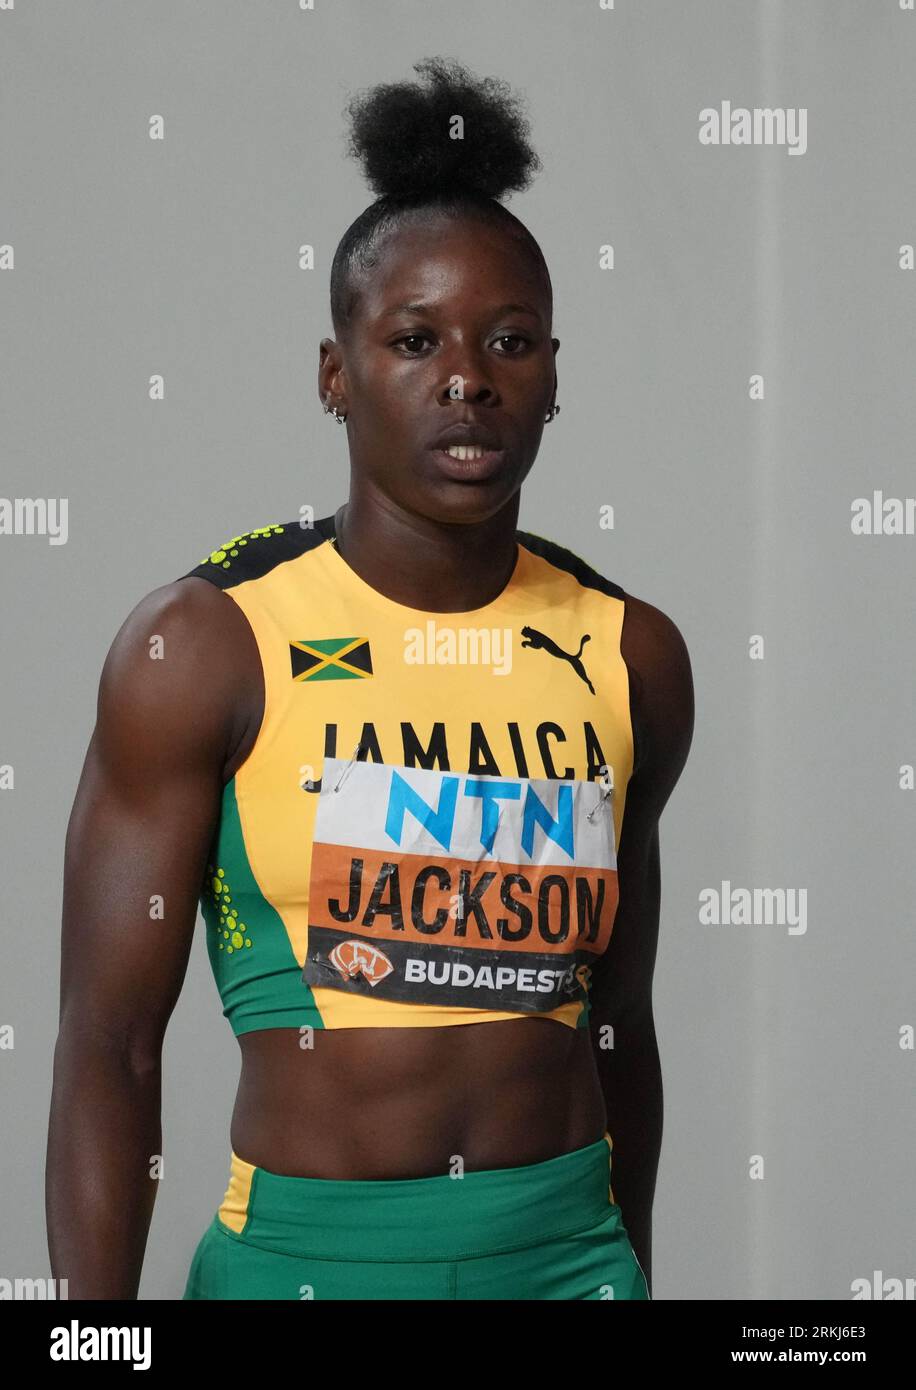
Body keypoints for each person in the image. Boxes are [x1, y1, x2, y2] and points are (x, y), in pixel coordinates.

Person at [46, 57, 693, 1301]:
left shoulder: (627, 653)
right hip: (305, 1263)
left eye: (508, 342)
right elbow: (109, 1047)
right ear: (336, 375)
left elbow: (621, 1023)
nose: (466, 378)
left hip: (565, 1261)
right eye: (413, 341)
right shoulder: (206, 645)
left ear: (552, 377)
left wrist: (635, 1272)